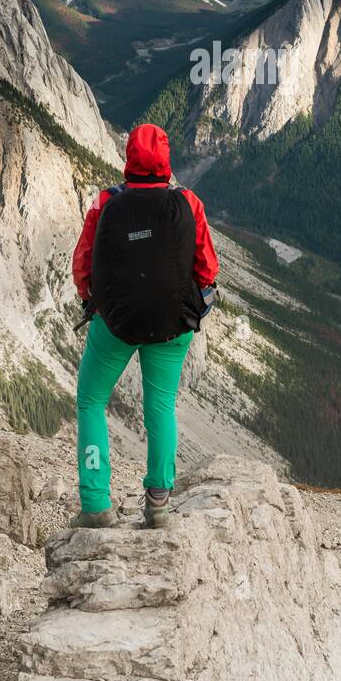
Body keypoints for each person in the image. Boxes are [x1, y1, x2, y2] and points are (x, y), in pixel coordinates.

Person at [70, 123, 219, 529]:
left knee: (91, 401)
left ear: (128, 161)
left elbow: (83, 268)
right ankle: (158, 505)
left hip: (115, 325)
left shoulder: (107, 204)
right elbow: (207, 270)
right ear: (166, 163)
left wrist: (97, 302)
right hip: (172, 325)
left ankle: (96, 505)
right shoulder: (188, 203)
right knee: (160, 407)